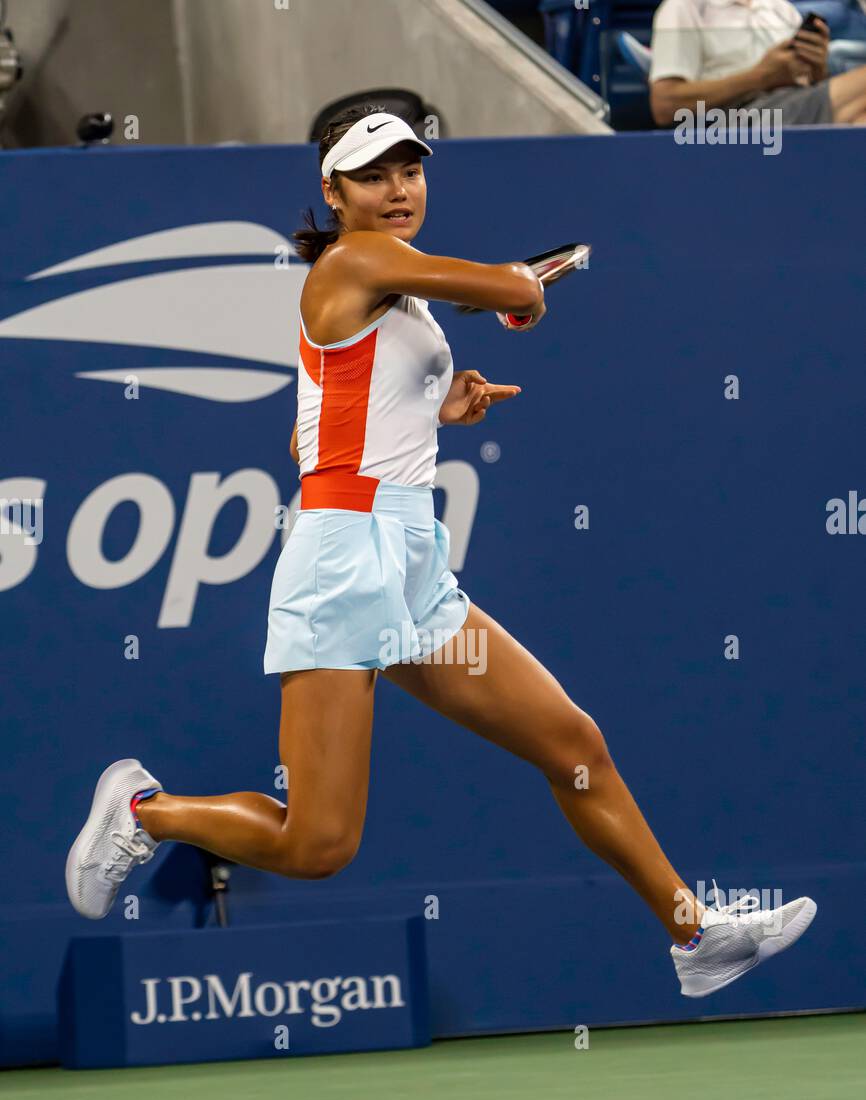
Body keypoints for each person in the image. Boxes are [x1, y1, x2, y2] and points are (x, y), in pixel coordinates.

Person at [65, 104, 816, 998]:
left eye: (411, 171)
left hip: (411, 558)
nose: (398, 190)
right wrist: (521, 289)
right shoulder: (357, 259)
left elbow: (313, 436)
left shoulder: (395, 289)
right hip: (344, 565)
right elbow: (502, 287)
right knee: (318, 845)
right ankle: (148, 811)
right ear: (333, 191)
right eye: (374, 174)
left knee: (573, 742)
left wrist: (433, 410)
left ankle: (696, 937)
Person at [649, 0, 866, 126]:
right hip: (732, 121)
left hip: (791, 107)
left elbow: (810, 89)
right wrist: (760, 77)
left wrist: (817, 70)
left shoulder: (781, 9)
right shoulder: (682, 7)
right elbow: (664, 105)